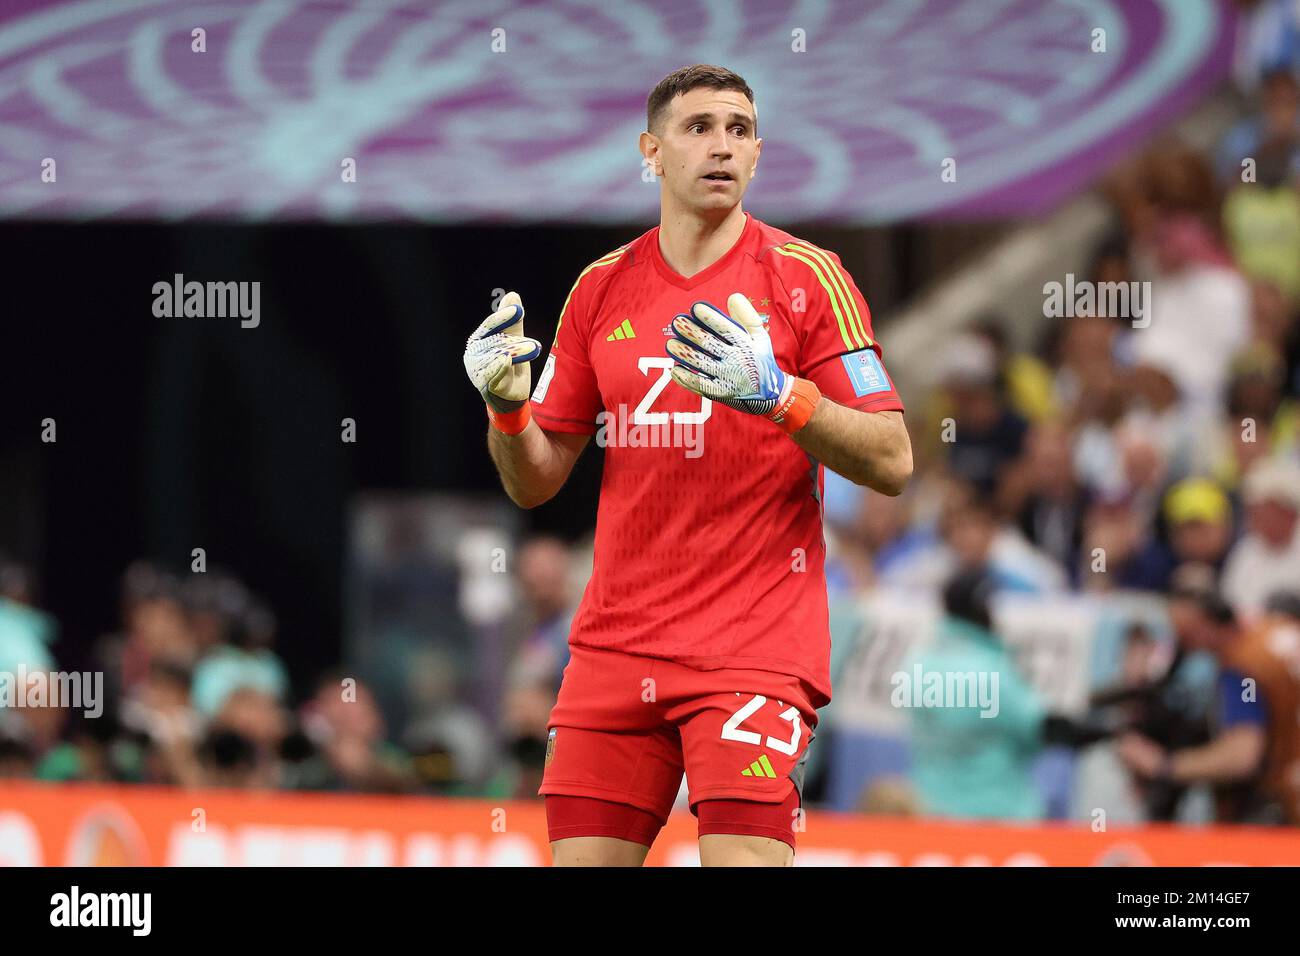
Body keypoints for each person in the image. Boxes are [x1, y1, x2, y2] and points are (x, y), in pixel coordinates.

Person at [462, 64, 912, 866]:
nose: (722, 146)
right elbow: (535, 480)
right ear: (651, 152)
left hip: (753, 653)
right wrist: (506, 409)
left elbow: (892, 459)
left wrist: (781, 396)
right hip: (616, 647)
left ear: (757, 152)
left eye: (739, 130)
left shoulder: (807, 279)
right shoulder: (601, 289)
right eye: (699, 127)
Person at [1118, 569, 1300, 825]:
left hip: (1285, 813)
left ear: (1204, 625)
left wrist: (1164, 765)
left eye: (1186, 637)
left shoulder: (1244, 670)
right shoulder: (1277, 630)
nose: (1188, 649)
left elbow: (1241, 755)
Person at [904, 567, 1046, 820]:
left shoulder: (916, 664)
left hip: (931, 812)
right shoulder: (994, 671)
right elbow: (1035, 729)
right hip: (998, 817)